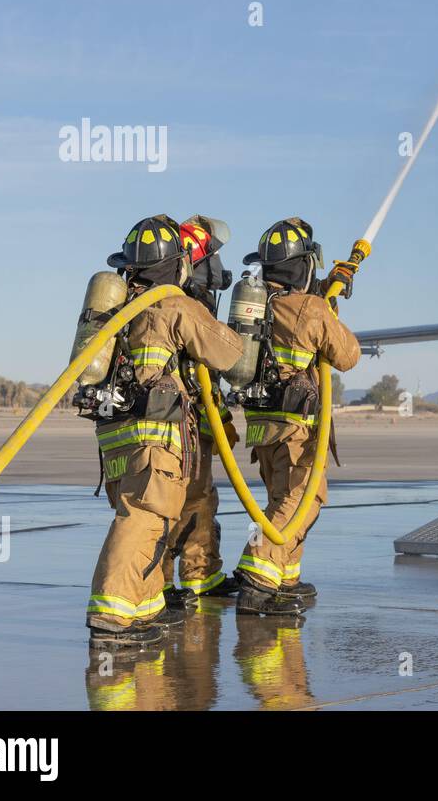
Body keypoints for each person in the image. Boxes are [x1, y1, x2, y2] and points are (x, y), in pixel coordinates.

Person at [86, 216, 242, 649]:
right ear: (178, 266)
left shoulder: (118, 305)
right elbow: (230, 353)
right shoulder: (174, 305)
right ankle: (112, 613)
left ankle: (144, 607)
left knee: (152, 521)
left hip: (115, 435)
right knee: (142, 520)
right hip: (155, 438)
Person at [233, 217, 362, 616]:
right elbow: (348, 355)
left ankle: (284, 578)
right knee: (303, 498)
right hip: (296, 427)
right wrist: (329, 305)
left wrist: (326, 292)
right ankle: (258, 574)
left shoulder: (262, 306)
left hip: (263, 425)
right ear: (304, 265)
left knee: (282, 497)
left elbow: (297, 321)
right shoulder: (311, 309)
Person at [160, 216, 242, 603]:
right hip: (179, 423)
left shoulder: (172, 303)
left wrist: (221, 418)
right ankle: (157, 587)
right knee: (168, 504)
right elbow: (218, 360)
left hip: (193, 419)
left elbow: (205, 374)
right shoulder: (182, 308)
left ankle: (201, 577)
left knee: (198, 500)